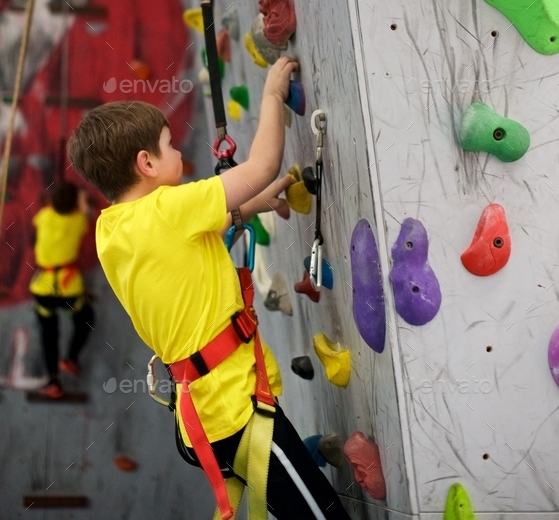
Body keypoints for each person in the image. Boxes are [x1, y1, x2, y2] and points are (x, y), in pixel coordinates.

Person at [68, 58, 351, 520]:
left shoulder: (112, 232)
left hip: (202, 417)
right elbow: (260, 166)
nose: (179, 152)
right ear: (146, 164)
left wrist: (251, 205)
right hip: (234, 410)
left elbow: (190, 237)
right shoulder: (167, 209)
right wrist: (273, 96)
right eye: (169, 145)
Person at [30, 182, 95, 399]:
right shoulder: (78, 221)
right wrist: (83, 200)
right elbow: (86, 212)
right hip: (68, 288)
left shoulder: (44, 217)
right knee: (85, 318)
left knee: (49, 332)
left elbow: (48, 211)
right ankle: (70, 358)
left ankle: (53, 381)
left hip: (43, 286)